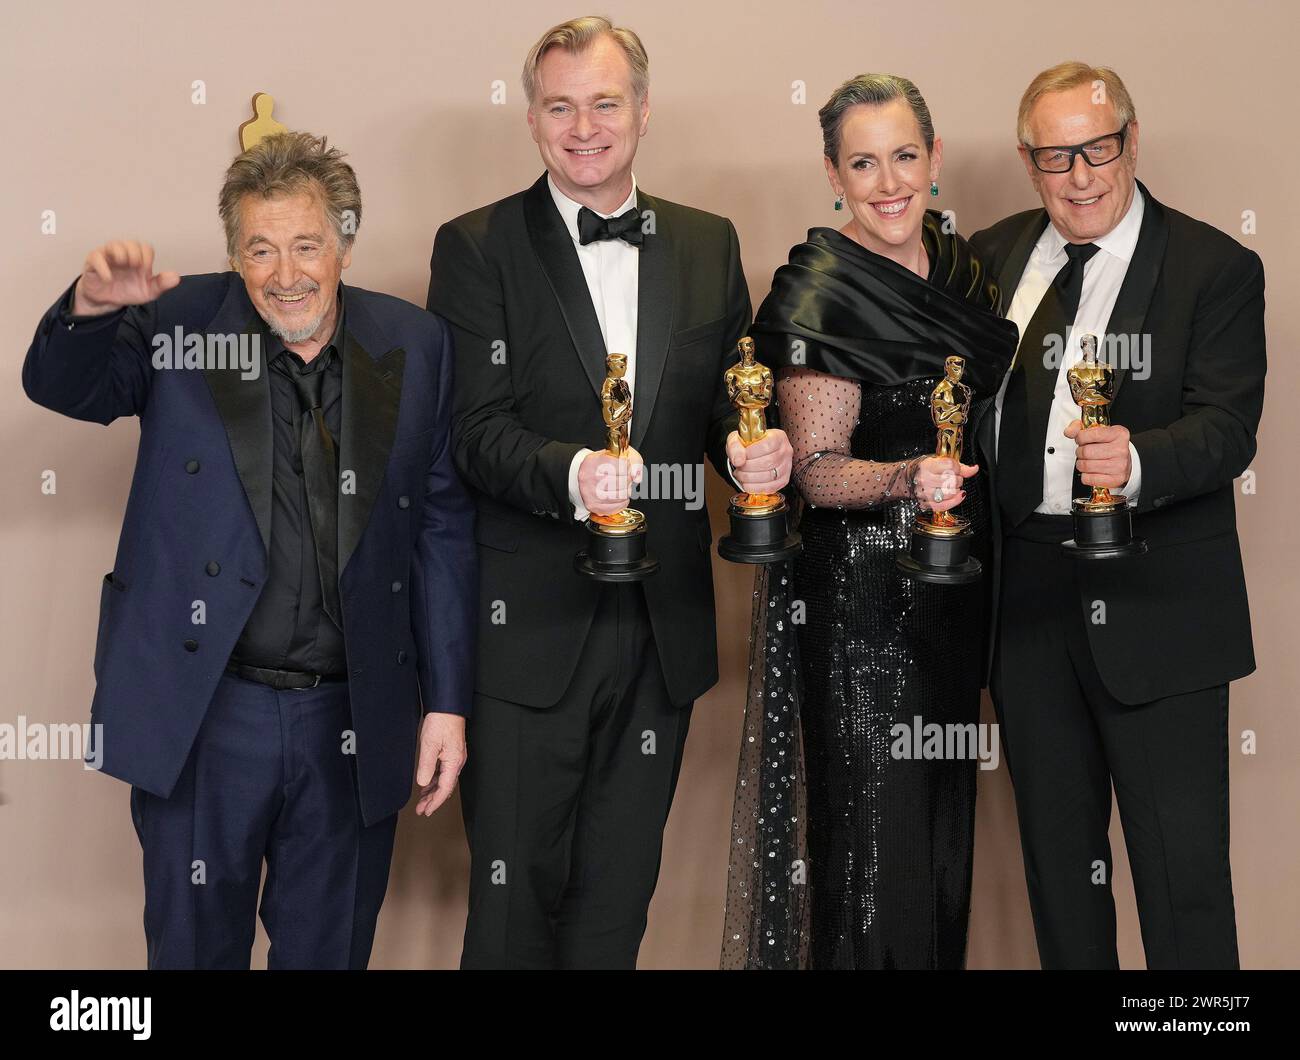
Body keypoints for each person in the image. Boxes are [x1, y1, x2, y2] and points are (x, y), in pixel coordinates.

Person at [21, 132, 476, 968]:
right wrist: (89, 309)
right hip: (205, 713)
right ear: (235, 253)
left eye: (307, 245)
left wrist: (446, 701)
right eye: (260, 250)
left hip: (351, 714)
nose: (286, 272)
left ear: (343, 240)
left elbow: (442, 529)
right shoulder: (182, 320)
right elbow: (65, 387)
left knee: (328, 955)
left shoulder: (415, 343)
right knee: (193, 955)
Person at [427, 15, 792, 969]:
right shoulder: (475, 247)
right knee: (511, 921)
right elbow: (472, 431)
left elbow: (723, 405)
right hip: (527, 638)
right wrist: (575, 475)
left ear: (642, 109)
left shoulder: (708, 243)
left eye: (604, 102)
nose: (584, 126)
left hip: (659, 631)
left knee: (614, 917)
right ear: (532, 117)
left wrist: (751, 455)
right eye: (560, 106)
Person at [970, 61, 1265, 969]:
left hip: (1160, 604)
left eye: (1098, 149)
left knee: (1183, 882)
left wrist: (1138, 460)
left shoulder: (1215, 265)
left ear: (1131, 143)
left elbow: (1227, 429)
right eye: (1057, 157)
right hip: (1025, 606)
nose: (1081, 176)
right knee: (1062, 875)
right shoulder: (987, 259)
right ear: (1030, 163)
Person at [722, 74, 1018, 969]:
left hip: (954, 593)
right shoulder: (821, 289)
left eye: (903, 156)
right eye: (862, 162)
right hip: (860, 612)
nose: (887, 182)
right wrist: (904, 477)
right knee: (870, 852)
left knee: (938, 845)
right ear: (832, 173)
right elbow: (813, 471)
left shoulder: (962, 267)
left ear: (933, 159)